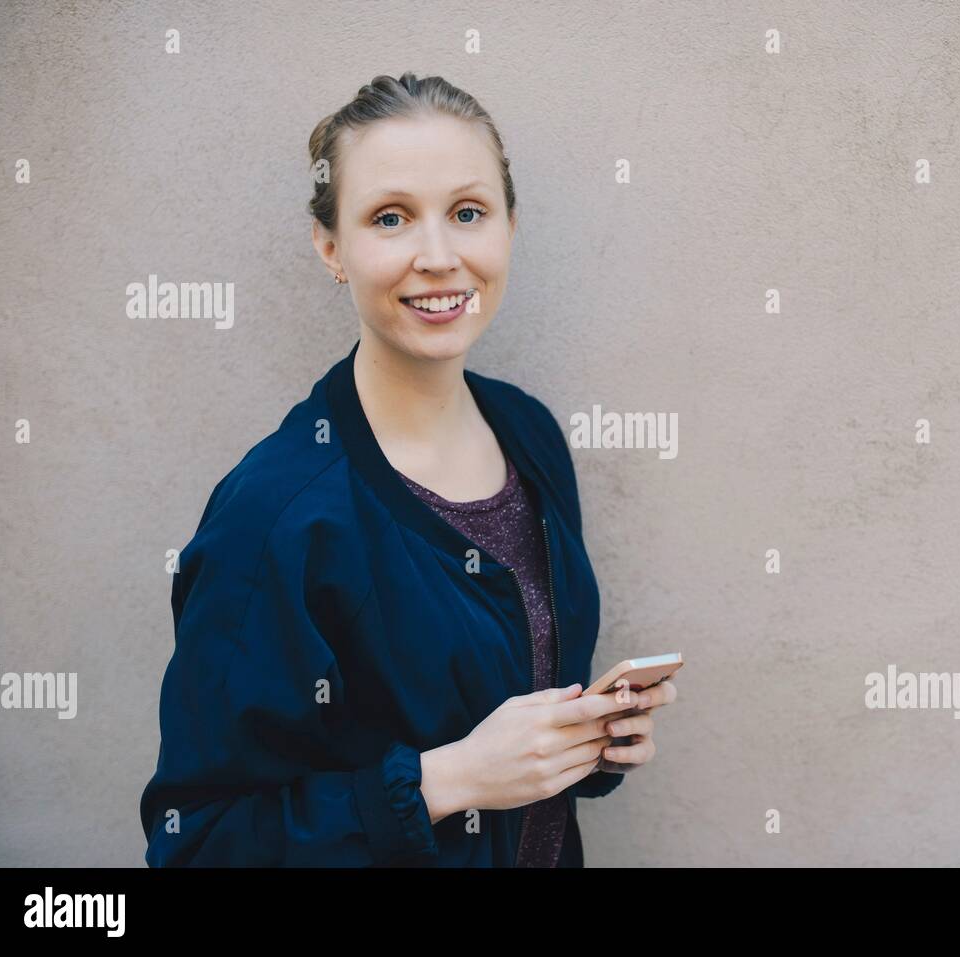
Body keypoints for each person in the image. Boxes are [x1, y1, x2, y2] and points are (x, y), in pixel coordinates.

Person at [138, 72, 677, 867]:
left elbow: (511, 711)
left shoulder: (527, 433)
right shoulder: (275, 516)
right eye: (391, 218)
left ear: (510, 226)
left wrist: (587, 740)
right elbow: (200, 840)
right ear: (331, 248)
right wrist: (446, 780)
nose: (438, 256)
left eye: (467, 213)